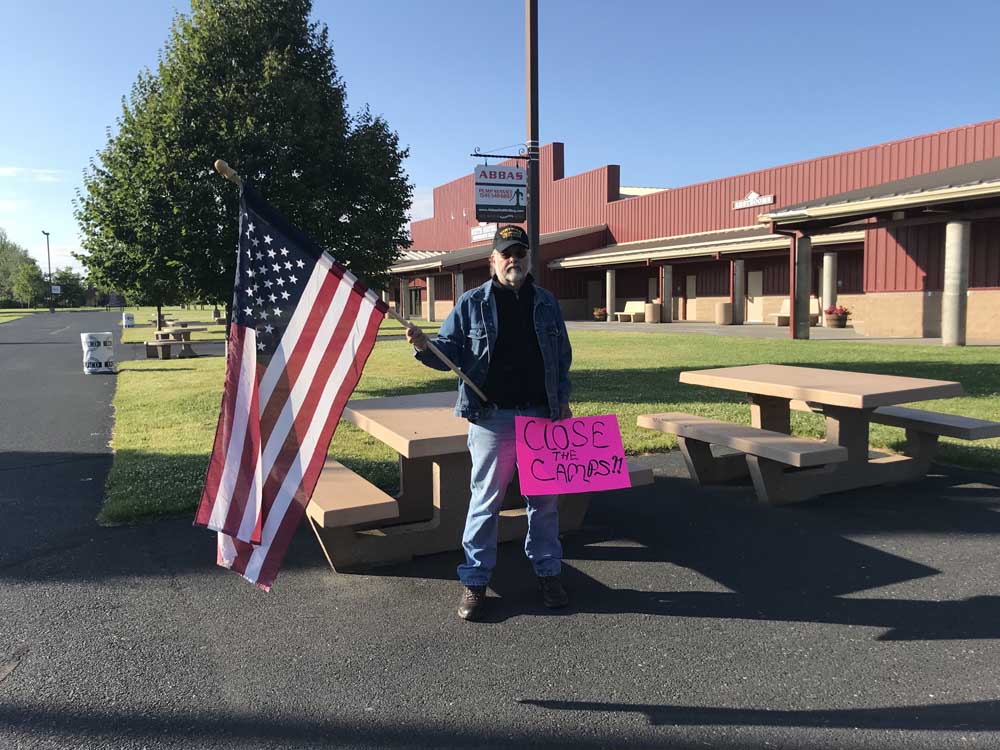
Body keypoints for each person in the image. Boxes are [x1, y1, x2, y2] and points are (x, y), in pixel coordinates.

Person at [405, 225, 573, 621]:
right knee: (485, 501)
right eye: (506, 253)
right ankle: (476, 580)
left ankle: (548, 572)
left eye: (520, 253)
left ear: (529, 259)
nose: (514, 259)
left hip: (540, 417)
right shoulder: (471, 303)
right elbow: (448, 351)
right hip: (491, 418)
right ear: (493, 260)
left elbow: (562, 357)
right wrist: (425, 346)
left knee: (544, 503)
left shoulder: (546, 303)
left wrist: (562, 401)